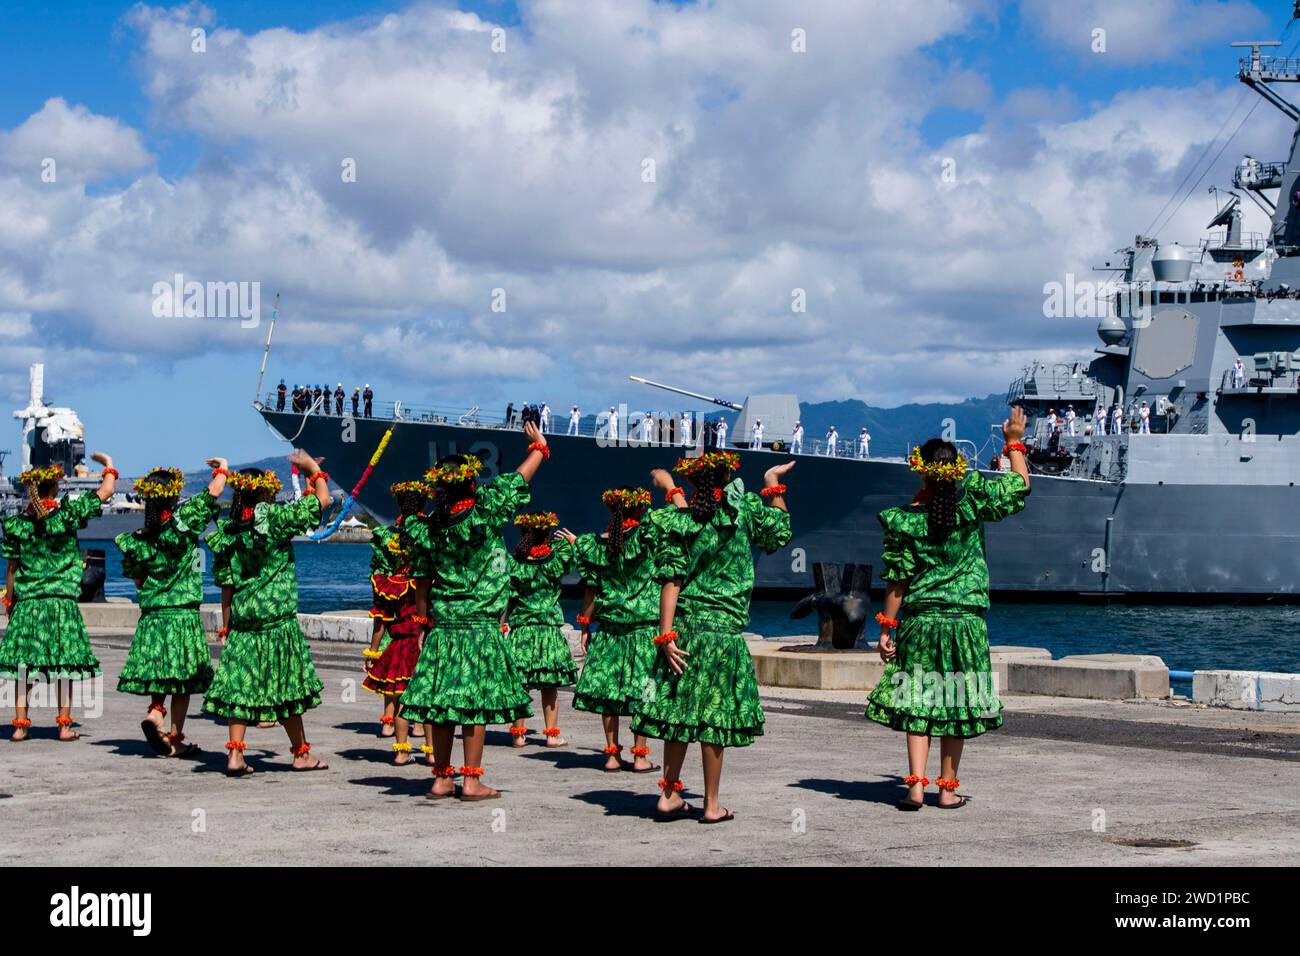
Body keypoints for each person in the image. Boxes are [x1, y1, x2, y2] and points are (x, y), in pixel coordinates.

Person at [867, 408, 1030, 810]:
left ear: (920, 472)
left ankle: (915, 787)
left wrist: (886, 629)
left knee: (917, 701)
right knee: (955, 703)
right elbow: (1020, 486)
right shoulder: (972, 501)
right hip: (965, 623)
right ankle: (947, 789)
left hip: (920, 622)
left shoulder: (905, 520)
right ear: (957, 470)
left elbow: (897, 580)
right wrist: (1012, 441)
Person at [633, 451, 794, 823]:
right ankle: (711, 804)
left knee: (677, 711)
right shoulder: (744, 511)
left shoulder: (681, 521)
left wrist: (666, 636)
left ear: (692, 482)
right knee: (714, 718)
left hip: (686, 628)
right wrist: (772, 483)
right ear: (727, 475)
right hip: (722, 632)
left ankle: (670, 794)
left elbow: (670, 579)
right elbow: (781, 530)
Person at [401, 421, 551, 800]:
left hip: (444, 625)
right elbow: (518, 478)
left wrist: (421, 622)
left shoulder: (427, 528)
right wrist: (538, 447)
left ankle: (440, 777)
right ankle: (470, 780)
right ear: (471, 483)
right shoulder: (485, 510)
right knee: (473, 705)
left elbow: (422, 579)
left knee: (443, 703)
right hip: (480, 625)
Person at [204, 453, 331, 775]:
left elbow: (227, 586)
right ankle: (300, 754)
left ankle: (234, 755)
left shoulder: (229, 532)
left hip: (244, 622)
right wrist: (312, 470)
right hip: (276, 620)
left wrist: (227, 626)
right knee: (287, 690)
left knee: (240, 690)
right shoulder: (274, 520)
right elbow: (323, 501)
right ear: (266, 492)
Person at [2, 456, 118, 741]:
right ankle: (64, 726)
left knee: (24, 666)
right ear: (54, 488)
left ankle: (20, 725)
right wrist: (108, 463)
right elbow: (106, 491)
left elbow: (12, 570)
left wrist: (9, 602)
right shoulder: (67, 515)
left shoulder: (17, 525)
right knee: (63, 666)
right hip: (61, 605)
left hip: (29, 604)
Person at [115, 461, 227, 757]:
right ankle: (175, 738)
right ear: (174, 495)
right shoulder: (184, 522)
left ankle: (155, 712)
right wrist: (223, 468)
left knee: (161, 673)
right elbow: (214, 491)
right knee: (182, 678)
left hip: (153, 615)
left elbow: (138, 580)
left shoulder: (138, 540)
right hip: (182, 613)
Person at [573, 486, 667, 773]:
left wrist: (586, 626)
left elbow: (591, 591)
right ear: (640, 509)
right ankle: (640, 756)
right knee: (643, 692)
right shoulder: (647, 539)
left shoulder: (597, 545)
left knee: (609, 694)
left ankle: (612, 755)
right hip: (643, 631)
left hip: (610, 630)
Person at [363, 480, 430, 763]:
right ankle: (432, 751)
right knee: (425, 699)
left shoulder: (388, 580)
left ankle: (395, 738)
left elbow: (380, 620)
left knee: (398, 690)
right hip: (422, 638)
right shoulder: (424, 579)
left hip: (398, 638)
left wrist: (373, 650)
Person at [505, 512, 577, 748]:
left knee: (520, 683)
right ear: (547, 534)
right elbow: (576, 555)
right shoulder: (556, 559)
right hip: (547, 631)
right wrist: (565, 541)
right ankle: (551, 735)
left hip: (522, 631)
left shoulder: (514, 562)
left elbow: (505, 596)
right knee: (550, 685)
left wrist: (499, 622)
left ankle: (518, 735)